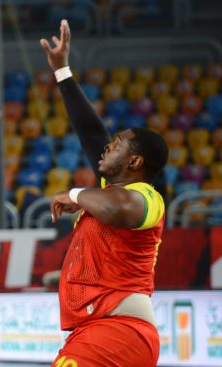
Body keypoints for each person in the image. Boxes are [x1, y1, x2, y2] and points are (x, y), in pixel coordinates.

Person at [40, 19, 169, 367]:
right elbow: (89, 130)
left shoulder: (148, 198)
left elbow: (122, 211)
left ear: (135, 161)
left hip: (120, 329)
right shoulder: (107, 190)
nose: (106, 149)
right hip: (99, 328)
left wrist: (75, 194)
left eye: (116, 146)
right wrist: (62, 71)